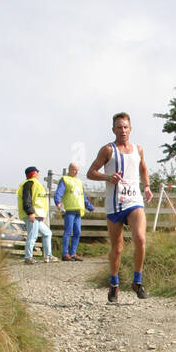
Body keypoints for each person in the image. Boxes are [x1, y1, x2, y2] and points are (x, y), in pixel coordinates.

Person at [87, 112, 152, 303]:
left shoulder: (138, 149)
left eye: (125, 127)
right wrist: (107, 177)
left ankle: (137, 281)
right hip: (114, 204)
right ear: (113, 129)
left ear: (130, 129)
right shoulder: (107, 150)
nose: (122, 130)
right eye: (118, 127)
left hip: (134, 201)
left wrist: (146, 185)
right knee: (117, 248)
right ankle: (114, 284)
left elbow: (143, 168)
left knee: (140, 238)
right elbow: (91, 172)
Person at [54, 162, 95, 259]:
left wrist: (89, 206)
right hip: (69, 210)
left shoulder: (78, 181)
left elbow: (82, 196)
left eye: (77, 170)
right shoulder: (64, 180)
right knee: (68, 231)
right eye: (74, 169)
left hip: (78, 210)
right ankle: (65, 253)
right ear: (70, 169)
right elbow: (59, 192)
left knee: (77, 232)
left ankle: (73, 253)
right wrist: (58, 201)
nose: (76, 172)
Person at [17, 166, 53, 262]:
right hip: (33, 214)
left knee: (47, 233)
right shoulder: (29, 183)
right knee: (32, 236)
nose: (39, 173)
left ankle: (48, 256)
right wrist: (30, 212)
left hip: (37, 214)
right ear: (34, 173)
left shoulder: (35, 184)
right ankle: (28, 257)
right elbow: (27, 199)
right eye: (37, 171)